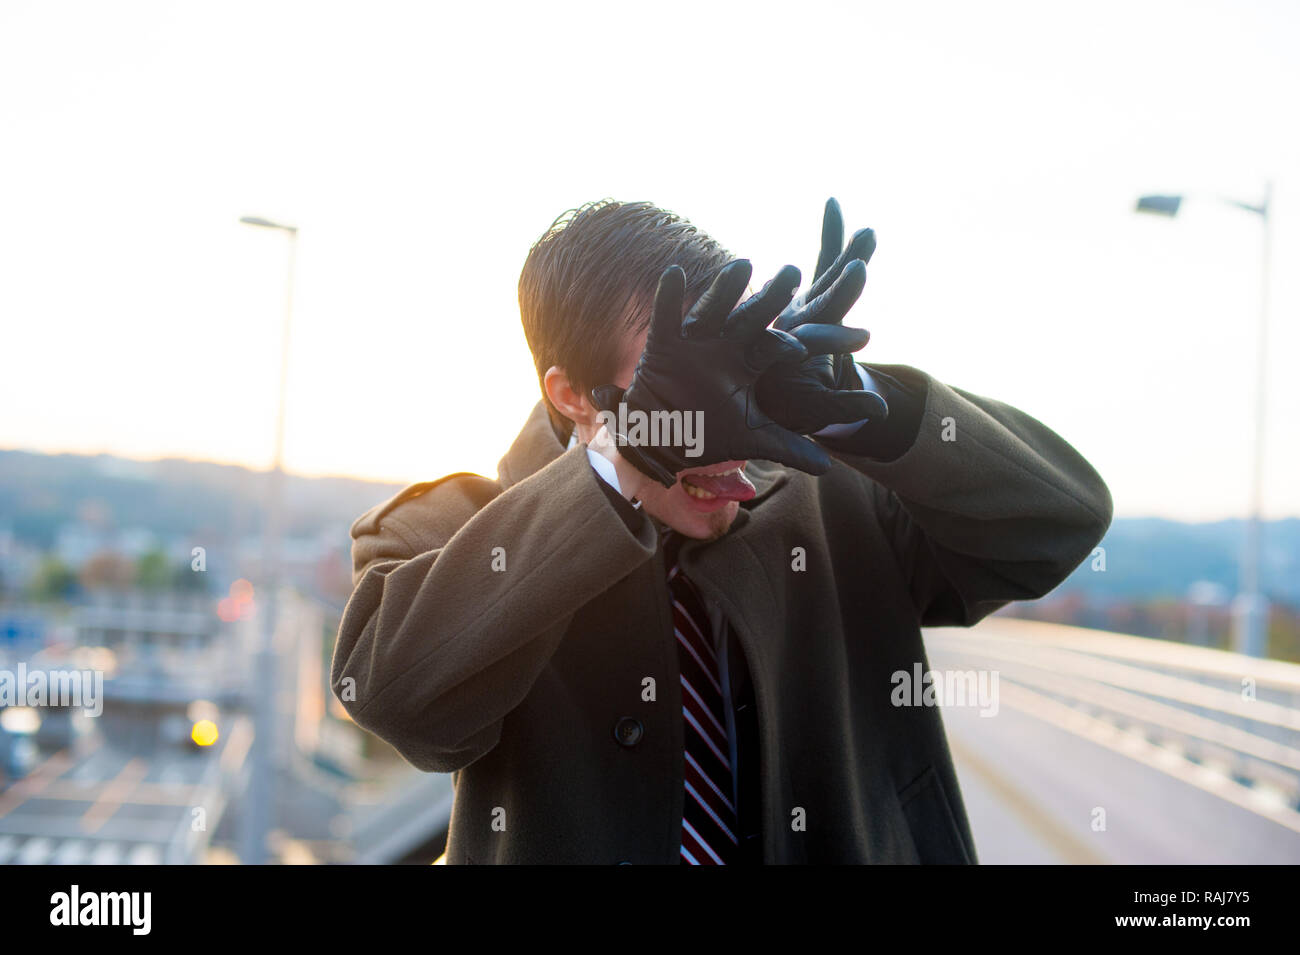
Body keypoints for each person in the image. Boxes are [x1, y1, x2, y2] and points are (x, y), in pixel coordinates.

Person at [330, 198, 1113, 864]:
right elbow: (396, 696)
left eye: (731, 383)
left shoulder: (835, 503)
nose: (721, 438)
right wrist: (629, 459)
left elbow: (1056, 521)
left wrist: (863, 402)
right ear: (570, 394)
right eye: (680, 396)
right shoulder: (455, 531)